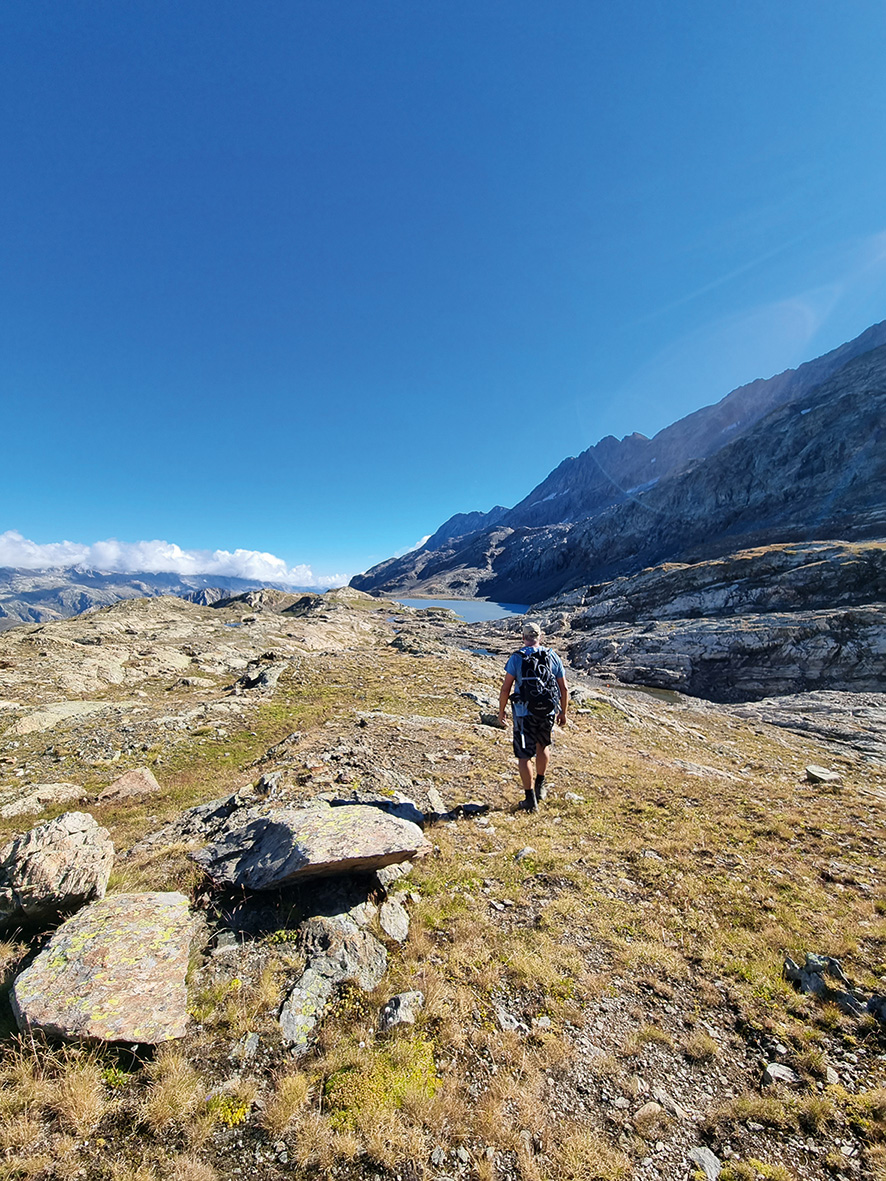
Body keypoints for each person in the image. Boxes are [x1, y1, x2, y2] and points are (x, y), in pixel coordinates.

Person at [497, 621, 568, 812]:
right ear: (540, 637)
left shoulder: (517, 658)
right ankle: (540, 786)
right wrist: (563, 712)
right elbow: (564, 688)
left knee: (524, 755)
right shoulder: (553, 656)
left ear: (523, 637)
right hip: (547, 711)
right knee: (543, 745)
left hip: (523, 714)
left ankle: (530, 800)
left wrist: (501, 710)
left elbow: (506, 689)